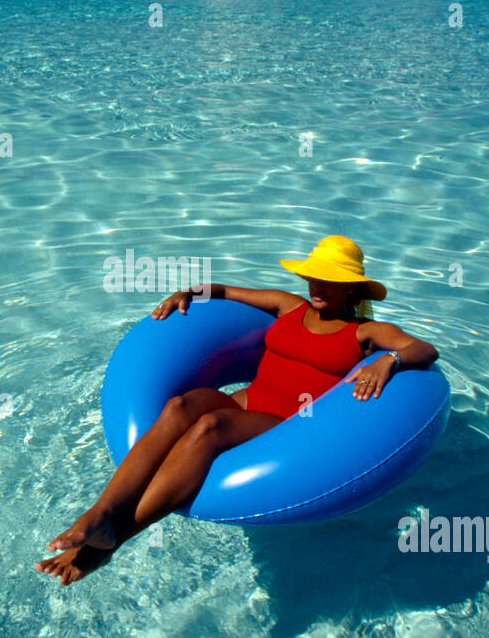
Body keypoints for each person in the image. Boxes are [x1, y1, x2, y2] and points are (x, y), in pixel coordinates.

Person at [38, 236, 439, 584]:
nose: (319, 285)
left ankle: (115, 537)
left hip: (286, 425)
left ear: (352, 289)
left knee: (211, 425)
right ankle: (101, 512)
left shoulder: (364, 334)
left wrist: (390, 361)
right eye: (315, 275)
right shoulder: (290, 306)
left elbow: (424, 349)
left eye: (331, 280)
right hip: (247, 402)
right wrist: (188, 295)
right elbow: (227, 292)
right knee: (181, 406)